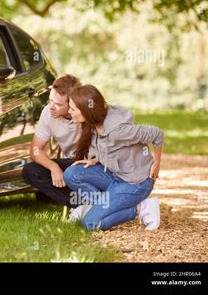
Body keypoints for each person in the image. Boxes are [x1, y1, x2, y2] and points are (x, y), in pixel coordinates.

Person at [63, 85, 164, 231]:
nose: (69, 111)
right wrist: (95, 160)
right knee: (71, 174)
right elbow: (110, 148)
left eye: (72, 109)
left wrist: (157, 163)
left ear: (86, 110)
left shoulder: (118, 131)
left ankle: (142, 208)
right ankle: (99, 208)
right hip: (115, 175)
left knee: (91, 224)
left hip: (135, 184)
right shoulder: (93, 123)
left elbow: (157, 134)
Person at [21, 74, 82, 208]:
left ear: (72, 103)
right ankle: (79, 203)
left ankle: (91, 200)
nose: (52, 106)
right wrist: (53, 167)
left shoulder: (86, 111)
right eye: (50, 100)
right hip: (71, 162)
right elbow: (35, 150)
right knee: (30, 171)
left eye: (58, 104)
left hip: (93, 163)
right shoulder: (48, 112)